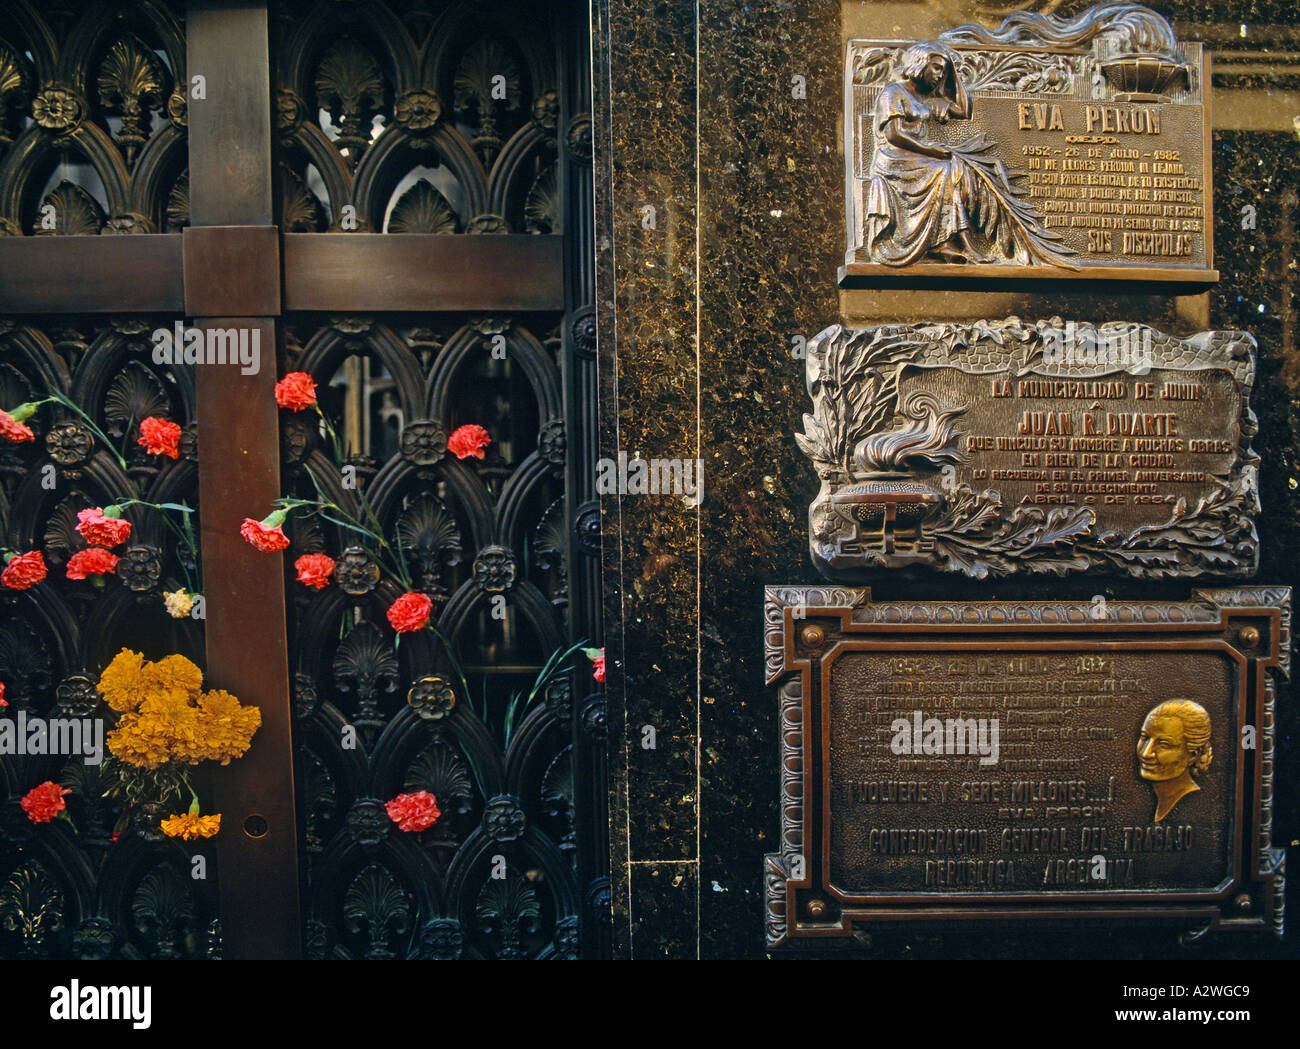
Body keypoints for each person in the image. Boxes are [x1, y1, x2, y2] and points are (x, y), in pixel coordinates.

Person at [864, 43, 1072, 267]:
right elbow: (894, 135)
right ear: (919, 64)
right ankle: (952, 243)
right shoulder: (894, 92)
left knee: (955, 169)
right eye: (936, 68)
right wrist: (932, 151)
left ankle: (958, 241)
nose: (939, 75)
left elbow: (963, 110)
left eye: (943, 71)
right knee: (944, 170)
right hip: (894, 158)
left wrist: (953, 73)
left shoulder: (928, 99)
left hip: (919, 158)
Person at [1136, 699, 1212, 823]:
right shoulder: (1145, 803)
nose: (1146, 753)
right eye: (1145, 737)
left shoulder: (1196, 808)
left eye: (1164, 744)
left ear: (1193, 755)